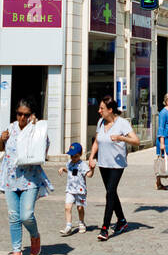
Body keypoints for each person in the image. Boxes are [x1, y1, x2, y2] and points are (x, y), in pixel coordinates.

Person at [0, 97, 53, 255]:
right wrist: (2, 139)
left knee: (26, 215)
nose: (21, 118)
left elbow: (44, 148)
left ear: (31, 115)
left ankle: (35, 236)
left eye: (25, 115)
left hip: (30, 179)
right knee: (14, 216)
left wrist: (35, 127)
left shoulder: (36, 129)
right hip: (10, 179)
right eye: (19, 114)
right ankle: (17, 252)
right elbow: (0, 148)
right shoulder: (10, 128)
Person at [88, 96, 138, 241]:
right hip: (103, 163)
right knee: (112, 192)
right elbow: (97, 141)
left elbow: (136, 141)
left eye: (102, 108)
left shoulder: (122, 124)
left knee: (110, 192)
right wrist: (92, 157)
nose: (99, 111)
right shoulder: (100, 122)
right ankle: (121, 220)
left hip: (117, 165)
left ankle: (105, 228)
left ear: (110, 110)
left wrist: (122, 138)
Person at [58, 142, 89, 236]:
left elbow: (89, 175)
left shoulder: (83, 165)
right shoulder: (69, 164)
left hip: (80, 190)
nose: (73, 158)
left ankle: (81, 222)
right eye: (71, 156)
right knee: (67, 207)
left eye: (75, 156)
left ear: (80, 154)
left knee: (80, 208)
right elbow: (71, 171)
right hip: (70, 189)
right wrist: (63, 169)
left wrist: (92, 168)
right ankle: (68, 226)